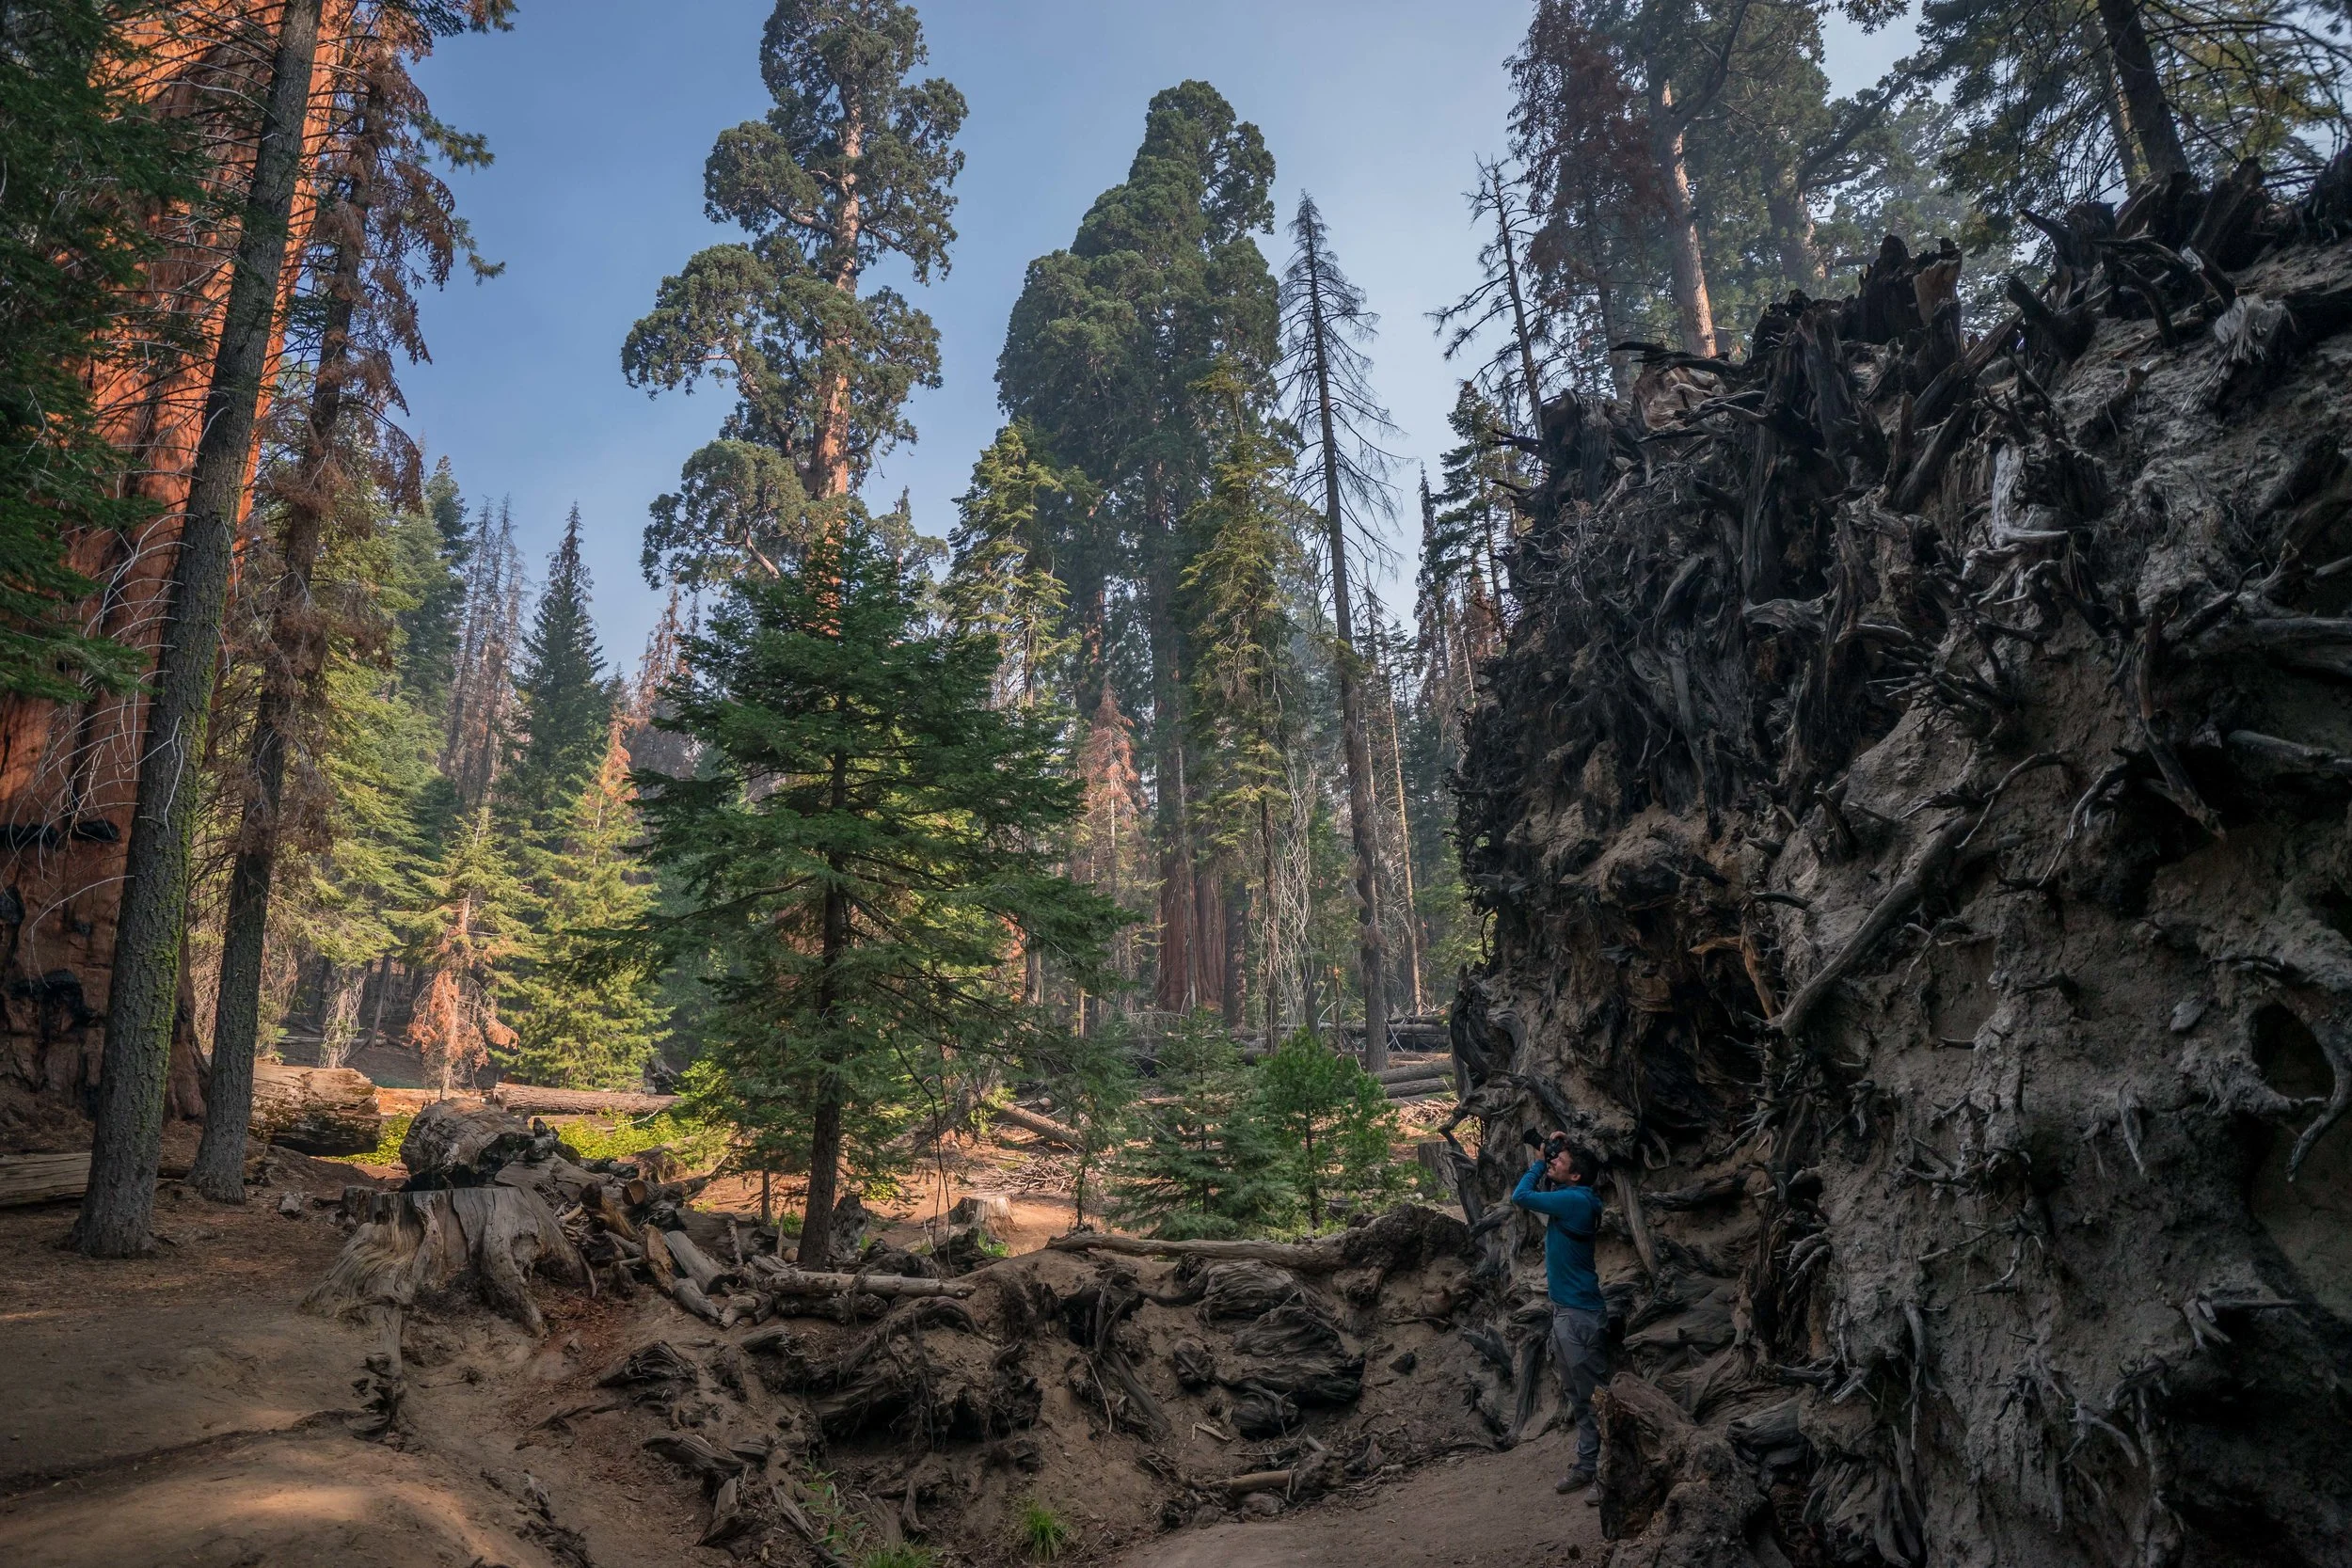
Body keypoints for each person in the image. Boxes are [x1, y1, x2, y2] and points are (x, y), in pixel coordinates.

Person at [1512, 1131, 1606, 1498]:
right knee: (1578, 1395)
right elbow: (1554, 1187)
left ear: (1576, 1175)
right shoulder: (1574, 1197)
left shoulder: (1576, 1202)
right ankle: (1586, 1466)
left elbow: (1521, 1196)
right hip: (1568, 1312)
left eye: (1559, 1161)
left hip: (1580, 1316)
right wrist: (1558, 1147)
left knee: (1595, 1397)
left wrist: (1537, 1163)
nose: (1552, 1161)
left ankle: (1608, 1475)